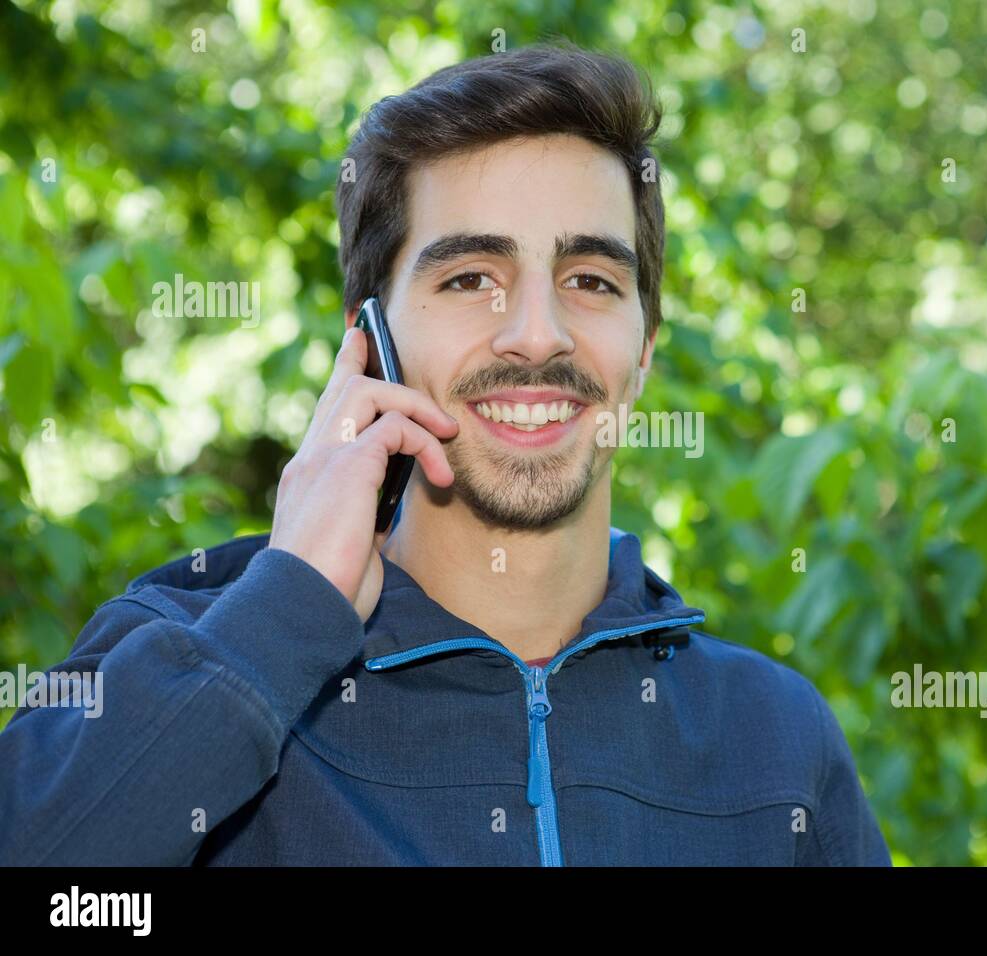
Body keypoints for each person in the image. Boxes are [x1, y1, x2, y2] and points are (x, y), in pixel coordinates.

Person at [0, 42, 891, 866]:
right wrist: (279, 624)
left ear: (645, 347)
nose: (537, 334)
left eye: (591, 281)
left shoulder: (779, 747)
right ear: (368, 342)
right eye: (470, 279)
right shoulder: (191, 657)